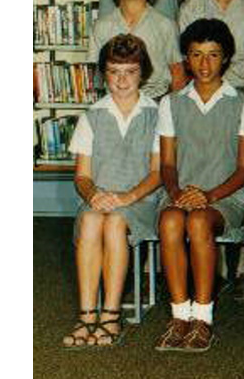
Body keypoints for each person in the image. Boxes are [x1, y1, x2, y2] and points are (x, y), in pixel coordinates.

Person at [154, 18, 244, 353]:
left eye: (213, 55)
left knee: (199, 221)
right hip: (181, 193)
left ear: (225, 57)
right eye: (196, 55)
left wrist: (209, 196)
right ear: (186, 58)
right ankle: (179, 314)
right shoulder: (172, 102)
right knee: (170, 219)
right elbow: (167, 164)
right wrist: (176, 194)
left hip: (226, 196)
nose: (204, 64)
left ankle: (203, 317)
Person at [63, 34, 162, 349]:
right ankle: (87, 313)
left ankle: (111, 313)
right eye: (114, 72)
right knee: (92, 221)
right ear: (104, 74)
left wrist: (127, 198)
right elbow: (82, 176)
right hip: (101, 197)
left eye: (130, 72)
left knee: (116, 222)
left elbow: (160, 172)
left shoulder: (157, 113)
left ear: (142, 73)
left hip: (141, 199)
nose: (122, 80)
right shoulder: (92, 115)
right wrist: (93, 195)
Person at [89, 0, 186, 100]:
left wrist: (171, 109)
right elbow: (98, 76)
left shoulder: (165, 25)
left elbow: (177, 73)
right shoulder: (102, 26)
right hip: (117, 101)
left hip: (156, 100)